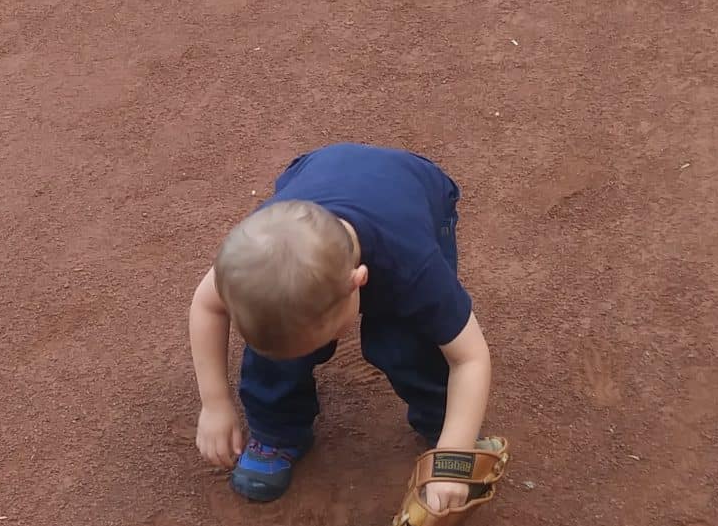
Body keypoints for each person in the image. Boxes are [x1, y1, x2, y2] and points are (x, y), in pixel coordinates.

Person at [189, 145, 492, 507]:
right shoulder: (250, 263)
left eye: (327, 336)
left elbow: (470, 358)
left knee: (407, 343)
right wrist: (215, 403)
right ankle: (277, 429)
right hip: (318, 176)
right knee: (277, 329)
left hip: (414, 194)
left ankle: (443, 421)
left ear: (357, 282)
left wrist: (454, 456)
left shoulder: (414, 267)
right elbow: (206, 306)